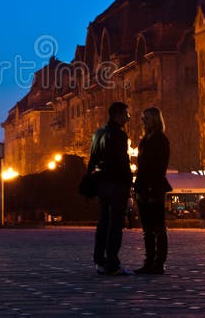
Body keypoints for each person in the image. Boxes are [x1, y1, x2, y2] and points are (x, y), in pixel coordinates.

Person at [88, 101, 133, 276]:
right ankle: (112, 263)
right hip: (117, 185)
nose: (128, 118)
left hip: (103, 185)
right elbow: (123, 163)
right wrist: (128, 188)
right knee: (115, 225)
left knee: (103, 223)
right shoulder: (119, 135)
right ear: (117, 115)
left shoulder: (99, 134)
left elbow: (92, 160)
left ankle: (100, 260)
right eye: (126, 115)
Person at [133, 107, 171, 275]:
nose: (143, 121)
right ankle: (149, 261)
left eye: (146, 118)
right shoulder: (144, 140)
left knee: (158, 227)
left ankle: (159, 262)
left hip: (154, 186)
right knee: (147, 228)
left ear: (155, 119)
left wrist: (151, 188)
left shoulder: (160, 140)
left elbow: (159, 166)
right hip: (142, 186)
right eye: (143, 117)